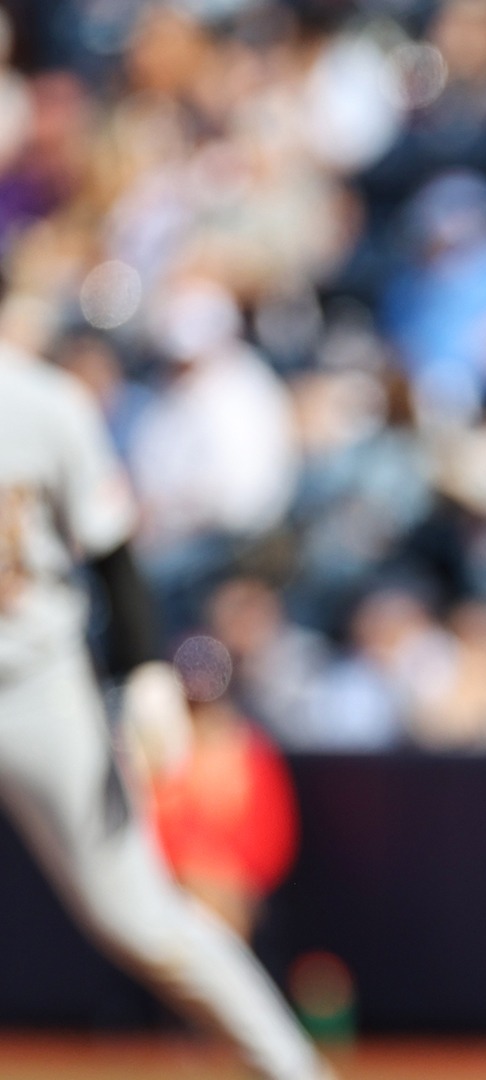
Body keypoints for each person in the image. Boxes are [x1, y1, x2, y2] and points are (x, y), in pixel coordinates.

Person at [0, 340, 330, 1080]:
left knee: (137, 914)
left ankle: (293, 1069)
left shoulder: (42, 402)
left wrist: (144, 668)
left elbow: (113, 553)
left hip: (32, 683)